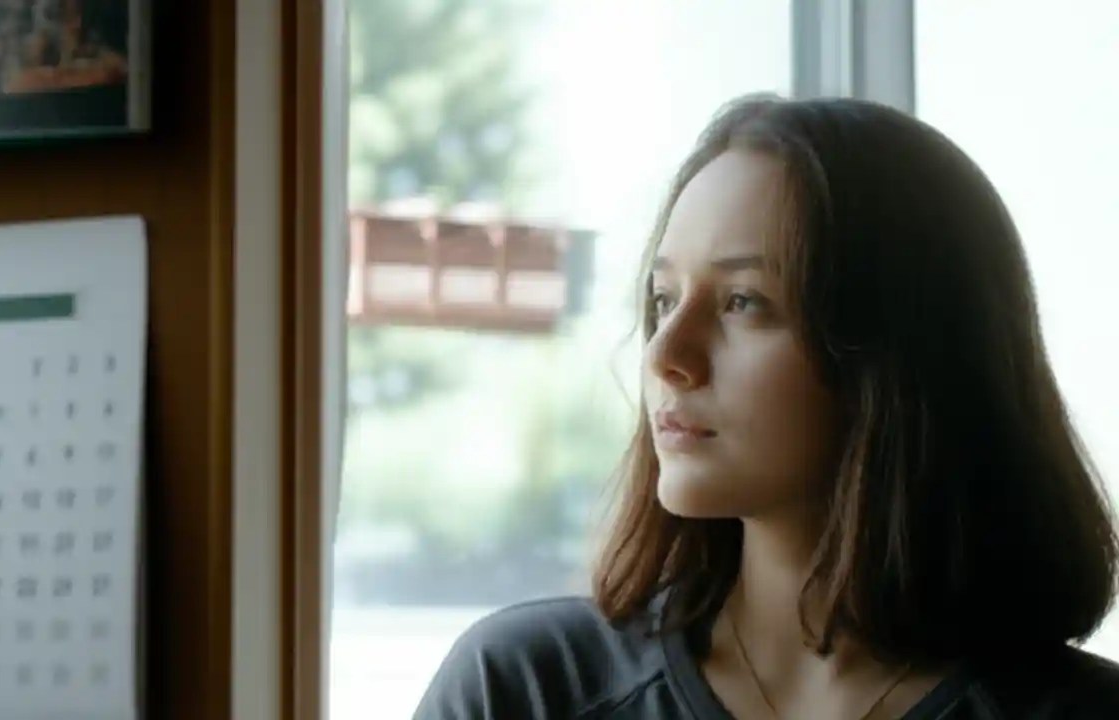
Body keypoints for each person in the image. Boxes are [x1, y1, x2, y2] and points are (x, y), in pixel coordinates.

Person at [412, 95, 1119, 719]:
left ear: (899, 355)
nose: (665, 353)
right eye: (662, 300)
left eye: (743, 302)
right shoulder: (526, 689)